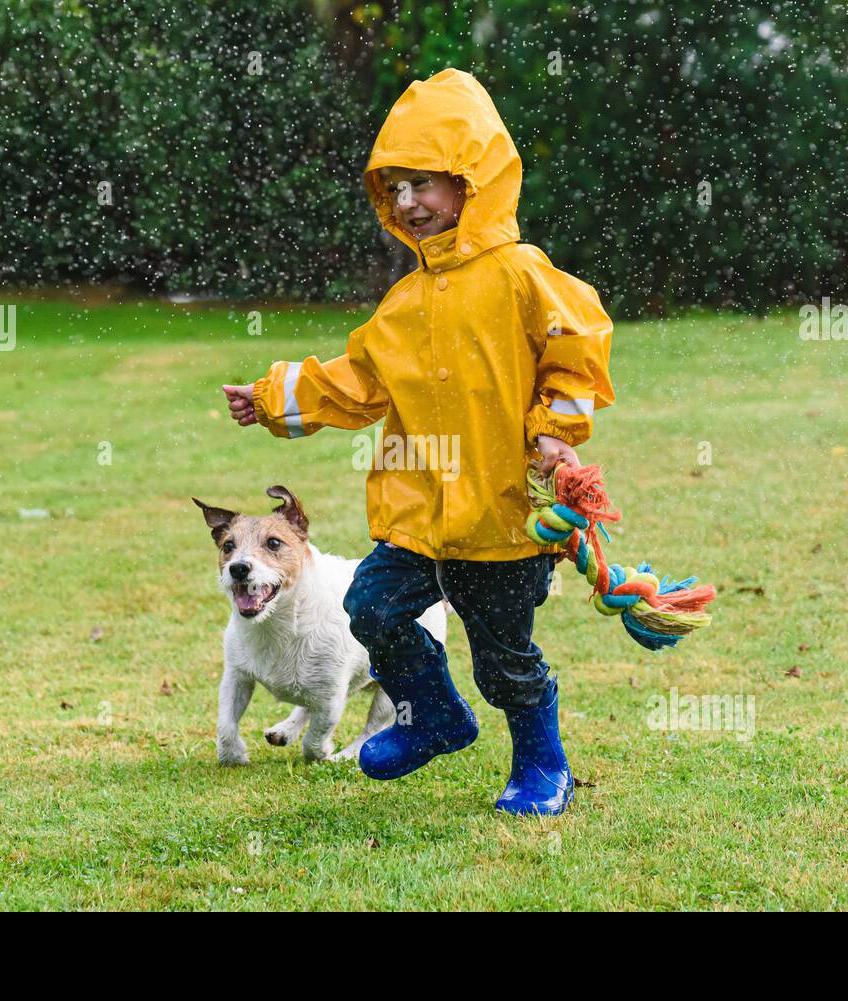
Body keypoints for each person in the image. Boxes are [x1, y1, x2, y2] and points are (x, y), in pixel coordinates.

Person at [223, 68, 613, 815]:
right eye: (394, 187)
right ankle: (432, 714)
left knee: (503, 658)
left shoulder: (521, 276)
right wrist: (273, 397)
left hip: (501, 517)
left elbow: (576, 345)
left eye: (424, 183)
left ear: (475, 180)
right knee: (371, 606)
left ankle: (542, 765)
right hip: (418, 517)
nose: (407, 202)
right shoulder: (404, 301)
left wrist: (556, 436)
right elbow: (357, 379)